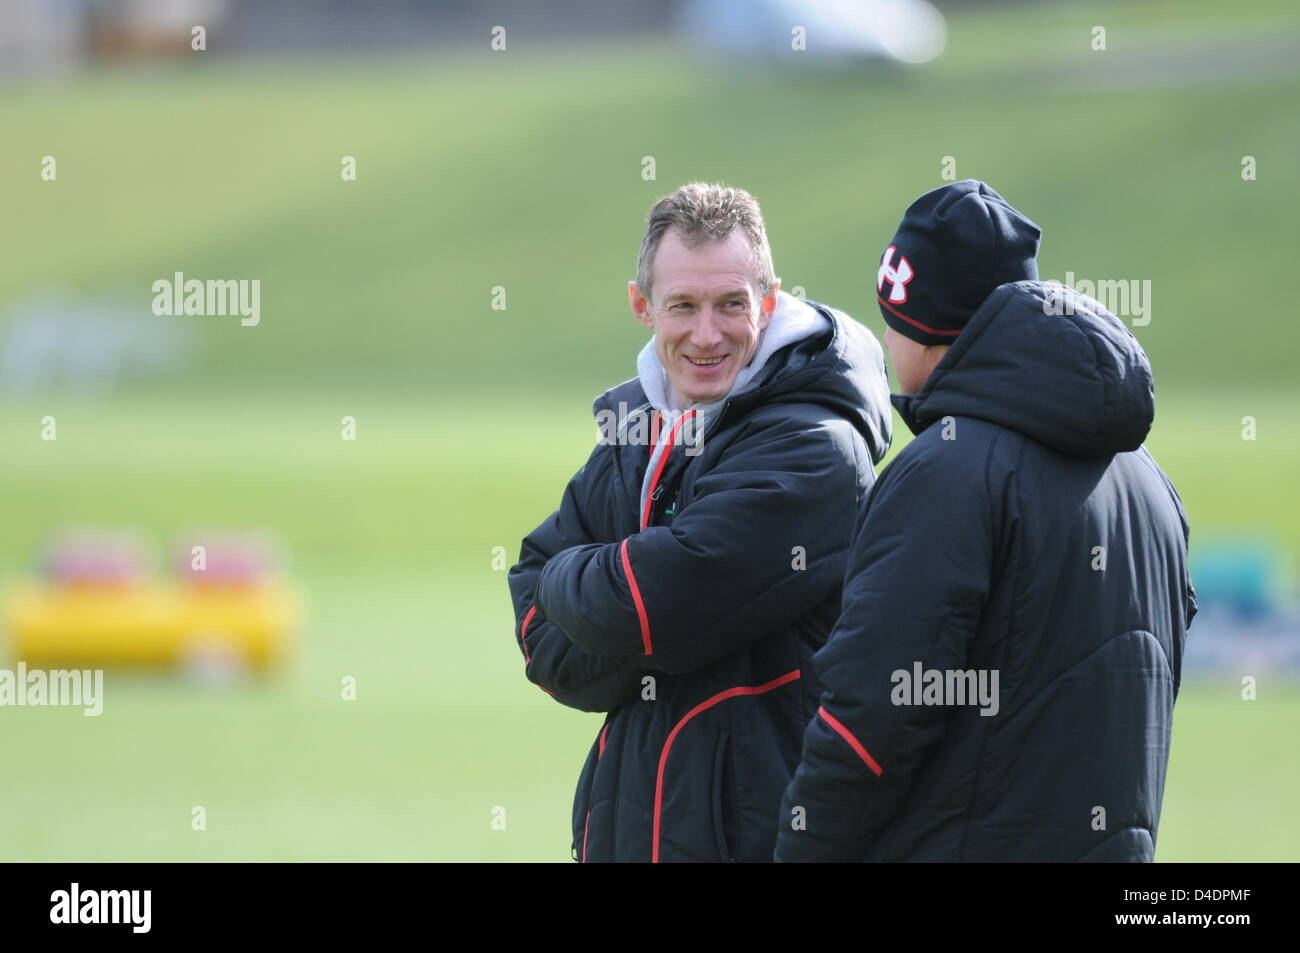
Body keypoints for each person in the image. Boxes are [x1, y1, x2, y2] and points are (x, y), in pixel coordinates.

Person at [776, 180, 1196, 862]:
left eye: (893, 318)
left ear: (927, 326)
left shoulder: (945, 471)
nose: (884, 339)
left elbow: (869, 720)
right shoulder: (1147, 477)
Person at [508, 182, 891, 862]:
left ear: (769, 303)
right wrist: (613, 606)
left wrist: (579, 579)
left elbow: (647, 609)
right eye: (683, 305)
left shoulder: (813, 448)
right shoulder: (638, 432)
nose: (707, 334)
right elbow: (543, 637)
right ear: (642, 306)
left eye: (732, 304)